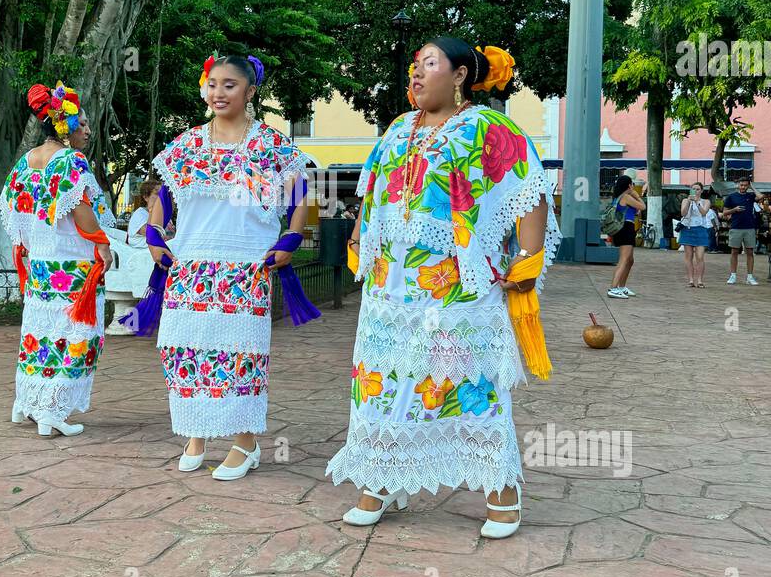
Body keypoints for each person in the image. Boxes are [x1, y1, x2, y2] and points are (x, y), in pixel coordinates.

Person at [327, 37, 560, 538]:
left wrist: (529, 257)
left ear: (459, 76)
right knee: (382, 388)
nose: (415, 74)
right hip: (390, 288)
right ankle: (380, 484)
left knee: (467, 385)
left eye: (428, 64)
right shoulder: (395, 128)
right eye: (414, 65)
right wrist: (356, 237)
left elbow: (529, 188)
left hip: (455, 288)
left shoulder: (487, 127)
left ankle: (503, 494)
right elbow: (371, 191)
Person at [134, 52, 316, 480]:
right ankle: (197, 430)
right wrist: (156, 235)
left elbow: (301, 195)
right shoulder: (187, 143)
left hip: (244, 266)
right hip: (191, 264)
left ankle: (245, 441)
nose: (218, 92)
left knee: (239, 356)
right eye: (213, 83)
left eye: (229, 84)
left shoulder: (272, 146)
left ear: (250, 91)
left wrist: (290, 238)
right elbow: (162, 195)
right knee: (184, 350)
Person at [0, 82, 117, 436]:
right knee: (76, 335)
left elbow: (11, 205)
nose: (87, 129)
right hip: (73, 266)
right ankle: (52, 411)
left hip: (41, 266)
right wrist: (102, 244)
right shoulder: (70, 160)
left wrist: (27, 243)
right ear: (63, 126)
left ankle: (29, 403)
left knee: (39, 333)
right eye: (81, 123)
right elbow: (80, 206)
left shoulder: (28, 159)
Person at [106, 179, 159, 335]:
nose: (160, 198)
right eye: (156, 194)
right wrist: (151, 211)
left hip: (149, 253)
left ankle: (133, 323)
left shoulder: (160, 214)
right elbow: (151, 233)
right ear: (146, 196)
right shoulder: (141, 214)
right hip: (136, 256)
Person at [607, 171, 645, 299]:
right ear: (629, 185)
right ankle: (613, 288)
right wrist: (636, 195)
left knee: (630, 260)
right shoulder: (626, 197)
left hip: (626, 227)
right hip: (625, 228)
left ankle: (622, 286)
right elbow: (642, 206)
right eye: (632, 184)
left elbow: (636, 211)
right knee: (624, 259)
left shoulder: (619, 197)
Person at [724, 175, 760, 285]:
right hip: (736, 227)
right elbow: (724, 212)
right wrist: (734, 210)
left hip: (750, 227)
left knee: (750, 252)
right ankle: (733, 275)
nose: (743, 187)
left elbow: (761, 196)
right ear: (737, 185)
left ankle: (750, 277)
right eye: (741, 185)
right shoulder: (731, 197)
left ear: (748, 186)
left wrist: (752, 187)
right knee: (734, 252)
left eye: (745, 185)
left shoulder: (751, 195)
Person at [678, 183, 710, 288]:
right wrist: (689, 202)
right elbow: (683, 213)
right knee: (689, 256)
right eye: (693, 189)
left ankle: (700, 280)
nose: (695, 191)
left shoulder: (705, 201)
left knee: (700, 256)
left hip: (701, 229)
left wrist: (697, 202)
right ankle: (691, 280)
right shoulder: (685, 200)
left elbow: (704, 212)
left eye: (698, 189)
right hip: (688, 229)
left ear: (701, 191)